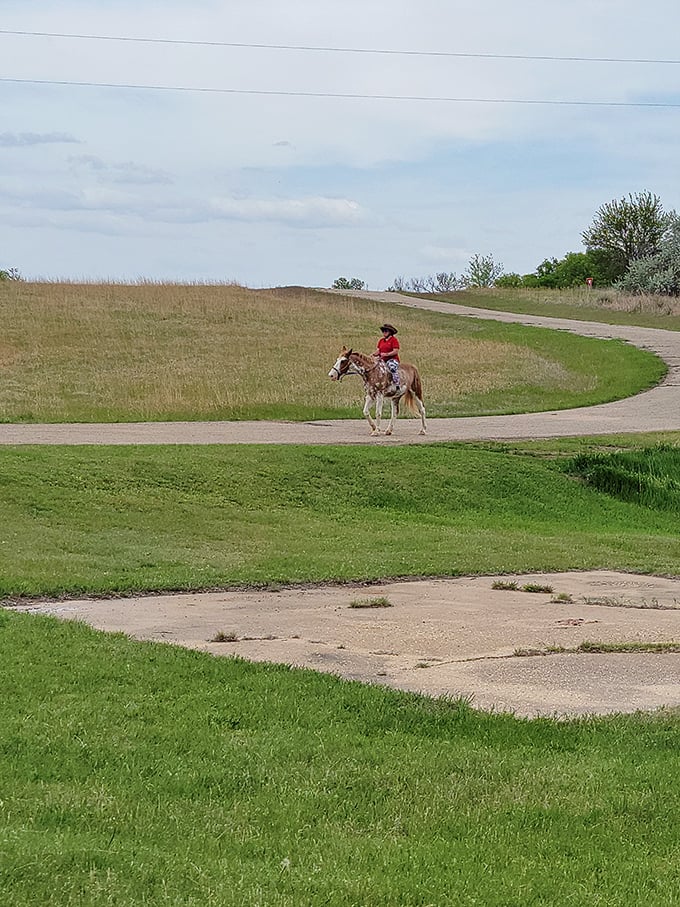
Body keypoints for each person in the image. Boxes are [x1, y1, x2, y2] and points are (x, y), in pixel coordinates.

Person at [374, 323, 401, 390]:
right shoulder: (381, 341)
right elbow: (378, 351)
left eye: (386, 331)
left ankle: (397, 383)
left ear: (390, 332)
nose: (384, 333)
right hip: (382, 359)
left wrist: (387, 354)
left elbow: (396, 351)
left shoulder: (394, 340)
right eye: (383, 331)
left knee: (392, 367)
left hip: (392, 359)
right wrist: (372, 355)